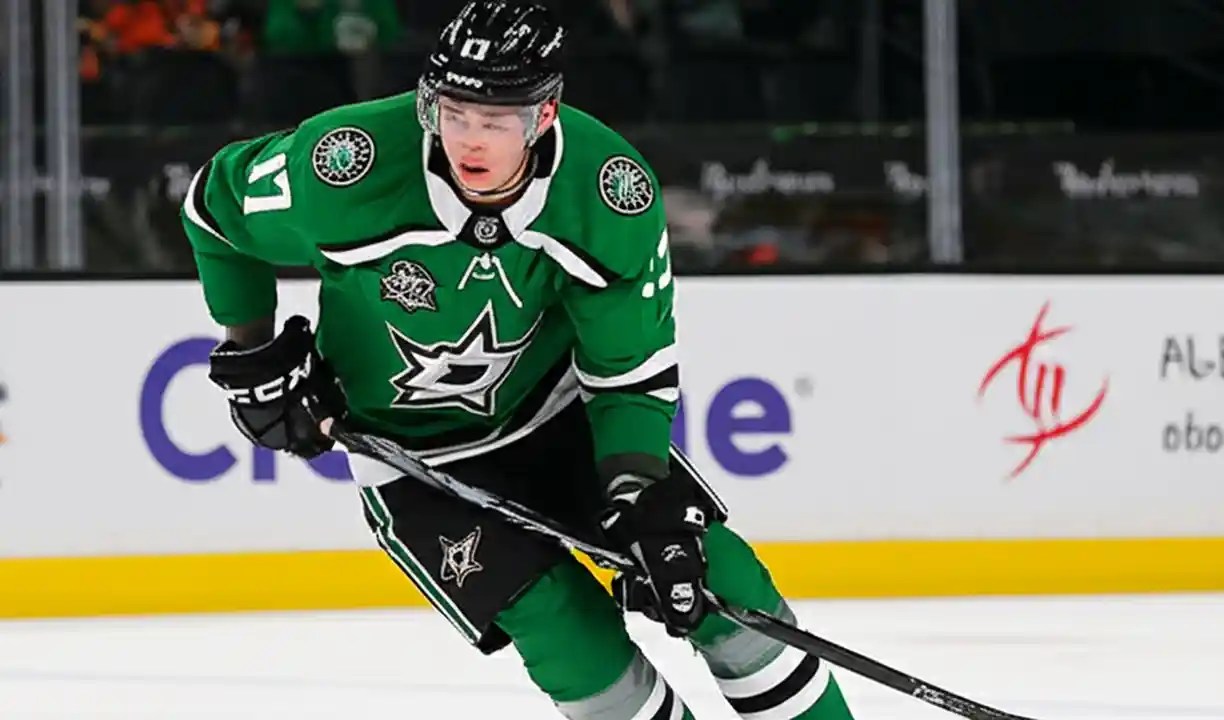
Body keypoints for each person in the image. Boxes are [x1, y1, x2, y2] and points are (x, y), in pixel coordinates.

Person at [180, 2, 856, 718]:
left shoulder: (608, 196)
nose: (469, 139)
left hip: (558, 417)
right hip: (413, 459)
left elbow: (630, 371)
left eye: (496, 120)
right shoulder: (348, 167)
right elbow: (210, 210)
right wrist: (249, 350)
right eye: (454, 111)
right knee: (570, 636)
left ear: (544, 115)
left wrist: (637, 495)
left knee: (723, 588)